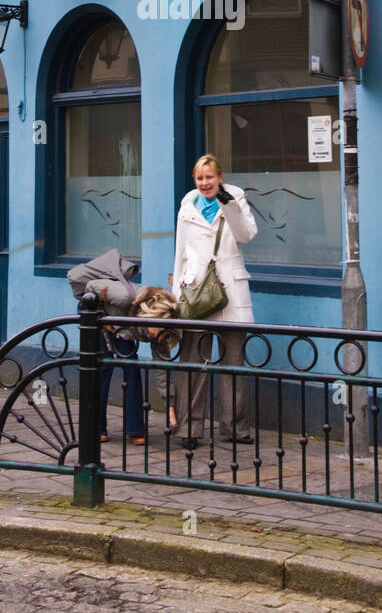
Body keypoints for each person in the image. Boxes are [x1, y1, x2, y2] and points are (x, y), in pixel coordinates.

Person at [172, 154, 257, 450]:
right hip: (195, 292)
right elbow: (180, 253)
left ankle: (235, 427)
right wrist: (175, 296)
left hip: (230, 292)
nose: (205, 183)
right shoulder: (187, 205)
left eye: (210, 177)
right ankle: (190, 429)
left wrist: (227, 204)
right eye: (200, 178)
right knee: (192, 364)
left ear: (219, 177)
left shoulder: (235, 198)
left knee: (233, 364)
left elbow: (246, 235)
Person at [66, 249, 144, 446]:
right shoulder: (124, 294)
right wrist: (102, 320)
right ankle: (96, 427)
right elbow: (91, 291)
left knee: (130, 366)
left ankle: (135, 428)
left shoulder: (132, 293)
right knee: (101, 368)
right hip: (95, 314)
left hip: (118, 319)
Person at [130, 287, 179, 431]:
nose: (161, 339)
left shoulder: (162, 328)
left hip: (129, 328)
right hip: (102, 317)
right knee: (106, 368)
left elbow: (163, 370)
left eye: (165, 337)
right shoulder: (127, 302)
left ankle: (135, 430)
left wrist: (171, 410)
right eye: (160, 334)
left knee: (131, 369)